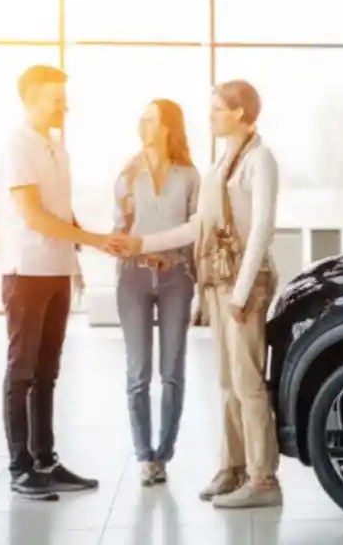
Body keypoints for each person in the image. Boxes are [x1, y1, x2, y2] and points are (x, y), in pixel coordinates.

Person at [108, 80, 282, 509]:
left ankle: (263, 480)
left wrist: (241, 293)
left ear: (241, 112)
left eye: (218, 110)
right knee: (227, 382)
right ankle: (233, 467)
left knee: (248, 383)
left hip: (246, 284)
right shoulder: (222, 161)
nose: (210, 117)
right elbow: (196, 228)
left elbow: (261, 228)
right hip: (220, 285)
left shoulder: (260, 160)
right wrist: (141, 245)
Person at [0, 64, 106, 500]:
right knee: (22, 371)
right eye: (56, 99)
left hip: (58, 270)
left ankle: (46, 460)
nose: (65, 106)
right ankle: (20, 467)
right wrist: (92, 239)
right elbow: (33, 215)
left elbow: (60, 212)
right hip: (26, 272)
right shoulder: (18, 147)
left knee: (48, 372)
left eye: (65, 98)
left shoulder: (56, 149)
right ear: (30, 101)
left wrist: (84, 248)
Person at [113, 99, 200, 487]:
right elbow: (119, 233)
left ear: (168, 127)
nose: (142, 124)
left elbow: (197, 231)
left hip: (176, 278)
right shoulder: (127, 176)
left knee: (172, 372)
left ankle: (163, 454)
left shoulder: (189, 176)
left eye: (151, 119)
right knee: (138, 372)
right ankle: (143, 455)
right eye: (142, 117)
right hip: (133, 277)